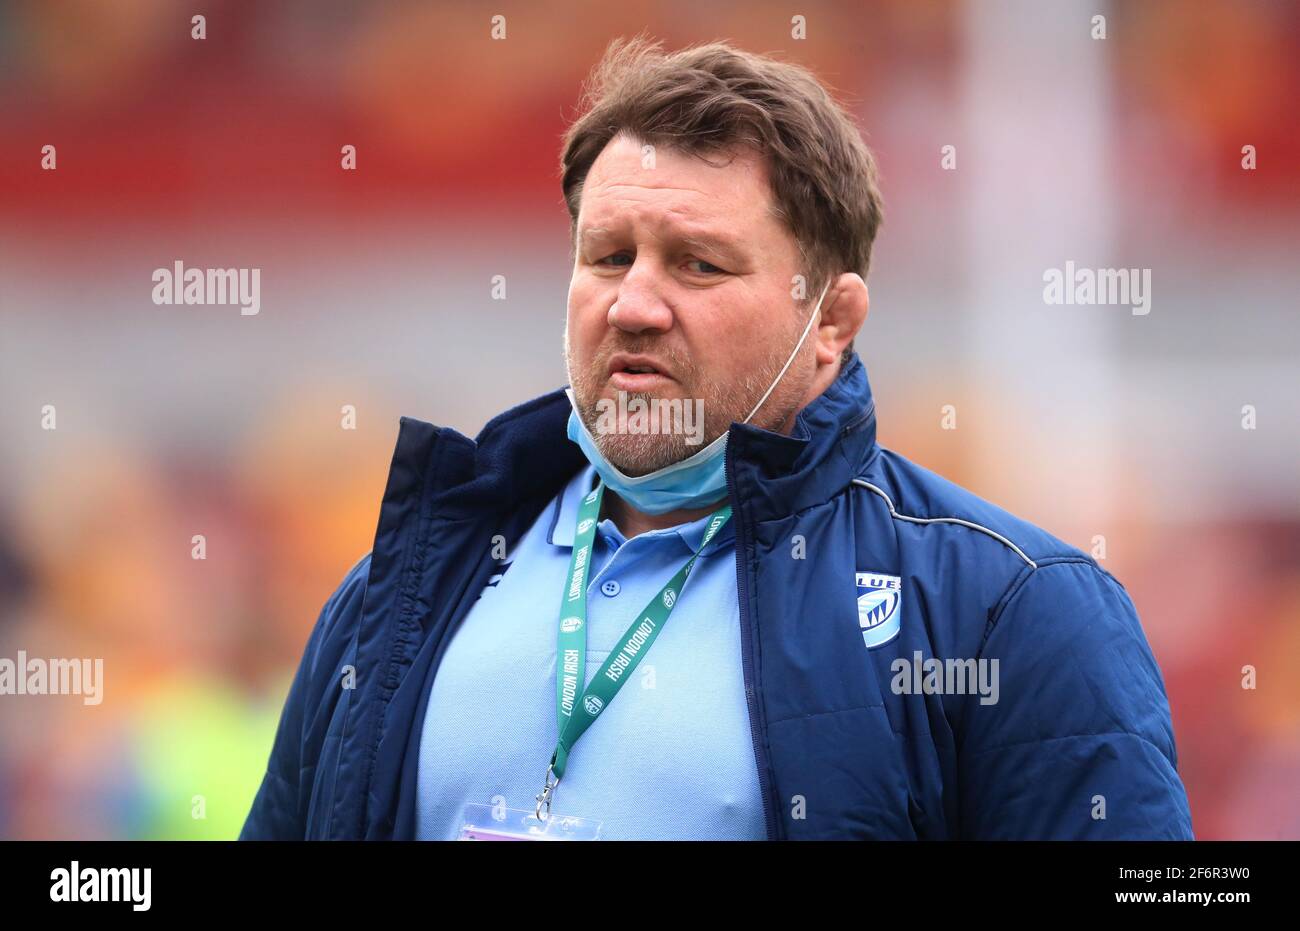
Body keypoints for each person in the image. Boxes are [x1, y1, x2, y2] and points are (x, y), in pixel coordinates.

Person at [240, 37, 1193, 841]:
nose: (635, 302)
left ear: (831, 322)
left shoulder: (1012, 614)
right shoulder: (402, 594)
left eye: (698, 264)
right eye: (609, 256)